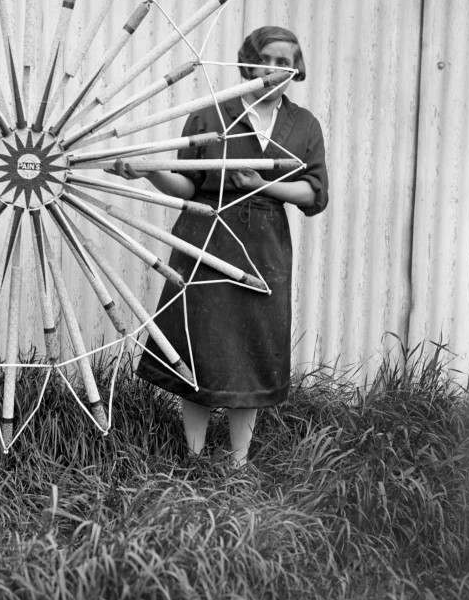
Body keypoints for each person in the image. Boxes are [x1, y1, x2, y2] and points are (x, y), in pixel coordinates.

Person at [129, 25, 328, 467]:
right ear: (247, 62)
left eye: (285, 61)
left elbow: (315, 194)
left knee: (253, 349)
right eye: (266, 59)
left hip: (264, 247)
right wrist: (148, 170)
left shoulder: (304, 126)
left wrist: (266, 186)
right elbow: (185, 184)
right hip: (205, 241)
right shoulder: (211, 116)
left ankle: (239, 463)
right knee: (201, 347)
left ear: (296, 69)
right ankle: (193, 455)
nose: (275, 69)